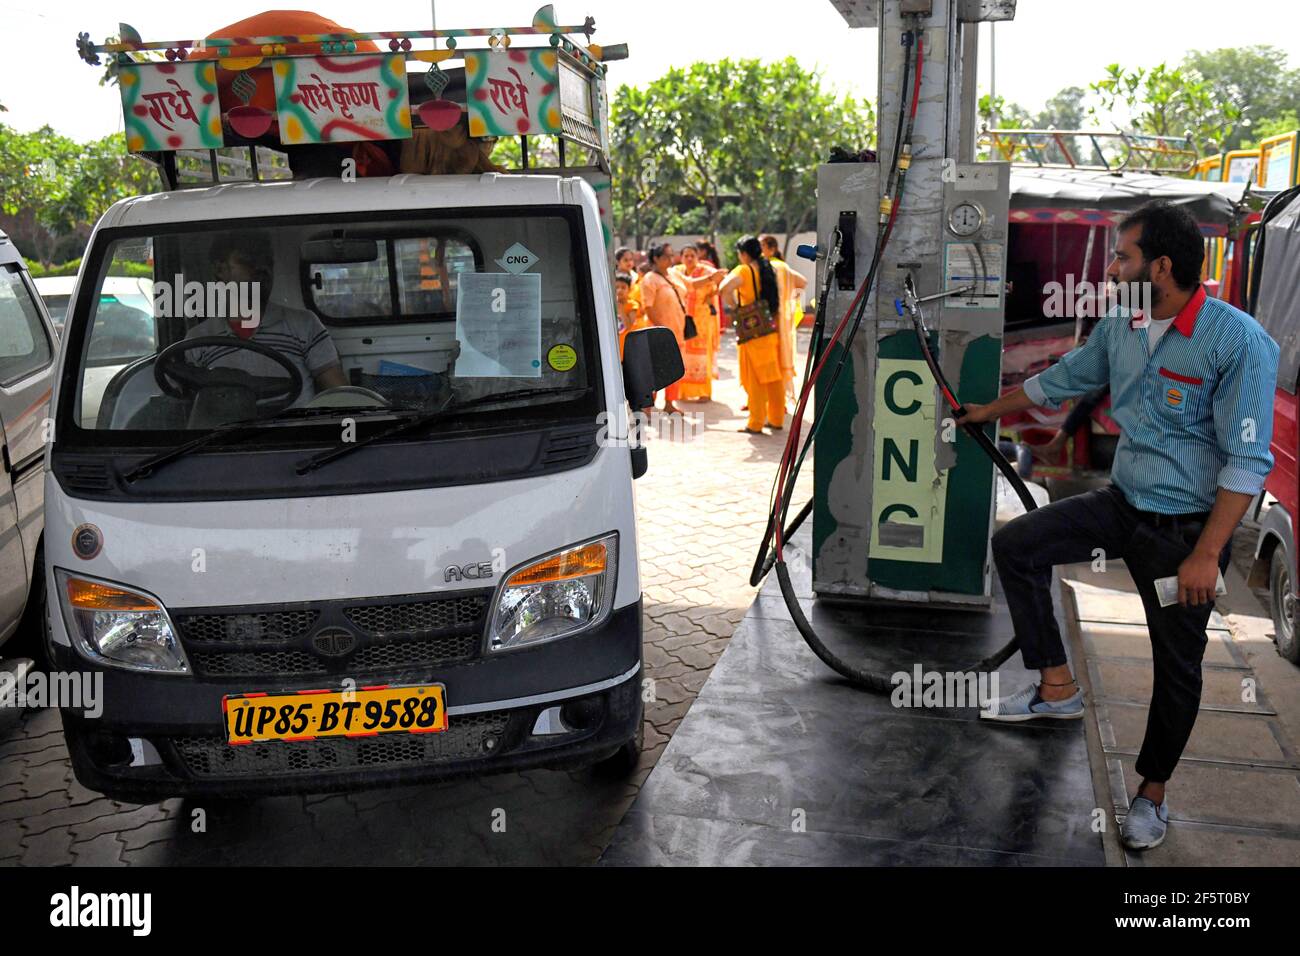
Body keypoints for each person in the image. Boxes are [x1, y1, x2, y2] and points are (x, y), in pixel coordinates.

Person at [957, 201, 1280, 851]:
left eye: (1122, 256)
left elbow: (1249, 461)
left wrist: (1205, 555)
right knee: (1018, 545)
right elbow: (1065, 380)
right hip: (1123, 505)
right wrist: (987, 409)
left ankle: (1151, 797)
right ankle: (1055, 686)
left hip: (1185, 537)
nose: (1111, 267)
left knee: (1177, 666)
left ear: (1161, 267)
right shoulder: (1123, 326)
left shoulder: (1236, 341)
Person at [185, 232, 347, 407]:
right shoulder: (198, 340)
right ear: (220, 270)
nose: (262, 269)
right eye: (249, 261)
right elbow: (186, 406)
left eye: (267, 261)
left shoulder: (304, 324)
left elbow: (341, 396)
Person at [717, 235, 785, 434]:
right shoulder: (767, 268)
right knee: (773, 378)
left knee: (754, 379)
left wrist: (735, 306)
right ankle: (776, 418)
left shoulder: (744, 270)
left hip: (751, 331)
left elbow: (724, 288)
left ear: (744, 254)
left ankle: (755, 422)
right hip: (768, 328)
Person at [638, 243, 692, 415]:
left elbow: (691, 284)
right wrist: (661, 330)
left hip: (677, 331)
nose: (671, 259)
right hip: (659, 333)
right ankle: (647, 405)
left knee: (673, 368)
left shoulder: (674, 274)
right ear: (656, 259)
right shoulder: (649, 279)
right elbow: (649, 307)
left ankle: (669, 403)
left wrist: (712, 278)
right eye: (666, 256)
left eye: (671, 255)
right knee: (654, 368)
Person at [670, 244, 722, 401]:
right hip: (683, 317)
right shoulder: (676, 271)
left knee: (702, 355)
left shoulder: (707, 270)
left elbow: (723, 279)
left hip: (702, 318)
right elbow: (689, 285)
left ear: (698, 257)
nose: (689, 259)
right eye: (686, 256)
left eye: (693, 255)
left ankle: (704, 393)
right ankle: (684, 392)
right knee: (683, 355)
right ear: (681, 257)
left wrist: (712, 294)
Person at [761, 234, 808, 403]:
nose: (760, 250)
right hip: (783, 320)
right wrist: (790, 301)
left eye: (762, 246)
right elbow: (803, 282)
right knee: (781, 355)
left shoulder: (766, 266)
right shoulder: (783, 267)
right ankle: (779, 397)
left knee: (767, 356)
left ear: (771, 249)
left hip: (767, 319)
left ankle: (767, 398)